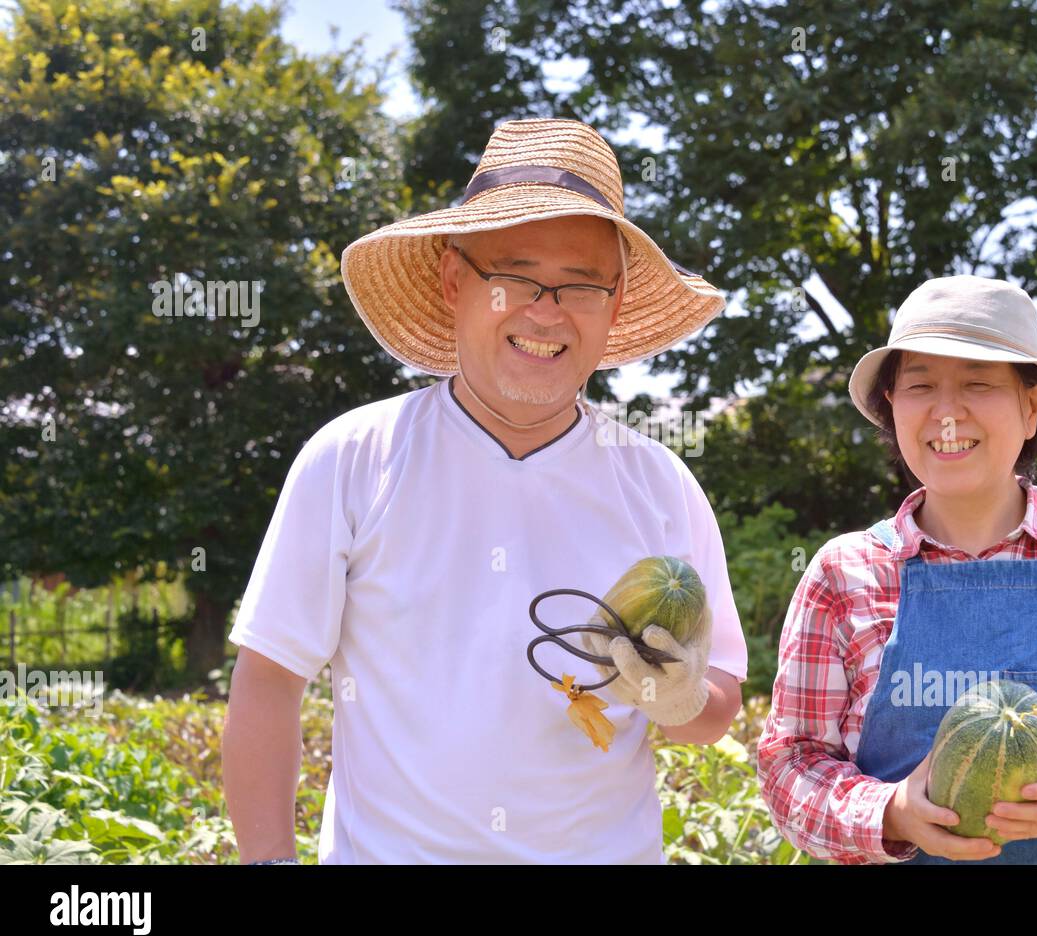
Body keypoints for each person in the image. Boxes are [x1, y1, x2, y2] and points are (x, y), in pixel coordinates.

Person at [221, 118, 747, 864]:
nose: (546, 309)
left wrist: (683, 698)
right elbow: (269, 680)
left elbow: (718, 697)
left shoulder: (661, 484)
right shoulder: (353, 459)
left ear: (616, 304)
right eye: (515, 276)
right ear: (453, 281)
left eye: (581, 284)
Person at [756, 276, 1037, 864]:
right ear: (891, 405)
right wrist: (892, 812)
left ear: (1031, 405)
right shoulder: (844, 573)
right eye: (920, 386)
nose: (947, 414)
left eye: (979, 384)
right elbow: (791, 763)